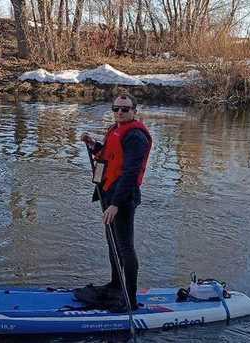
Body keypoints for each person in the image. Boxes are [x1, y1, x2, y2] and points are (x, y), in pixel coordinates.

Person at [80, 94, 152, 311]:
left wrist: (116, 204)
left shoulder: (136, 136)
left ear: (134, 111)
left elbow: (131, 172)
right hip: (109, 193)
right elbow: (109, 156)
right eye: (116, 108)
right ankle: (115, 285)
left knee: (125, 248)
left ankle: (129, 300)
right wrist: (94, 146)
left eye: (125, 109)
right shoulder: (115, 129)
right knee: (113, 243)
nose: (120, 112)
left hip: (122, 198)